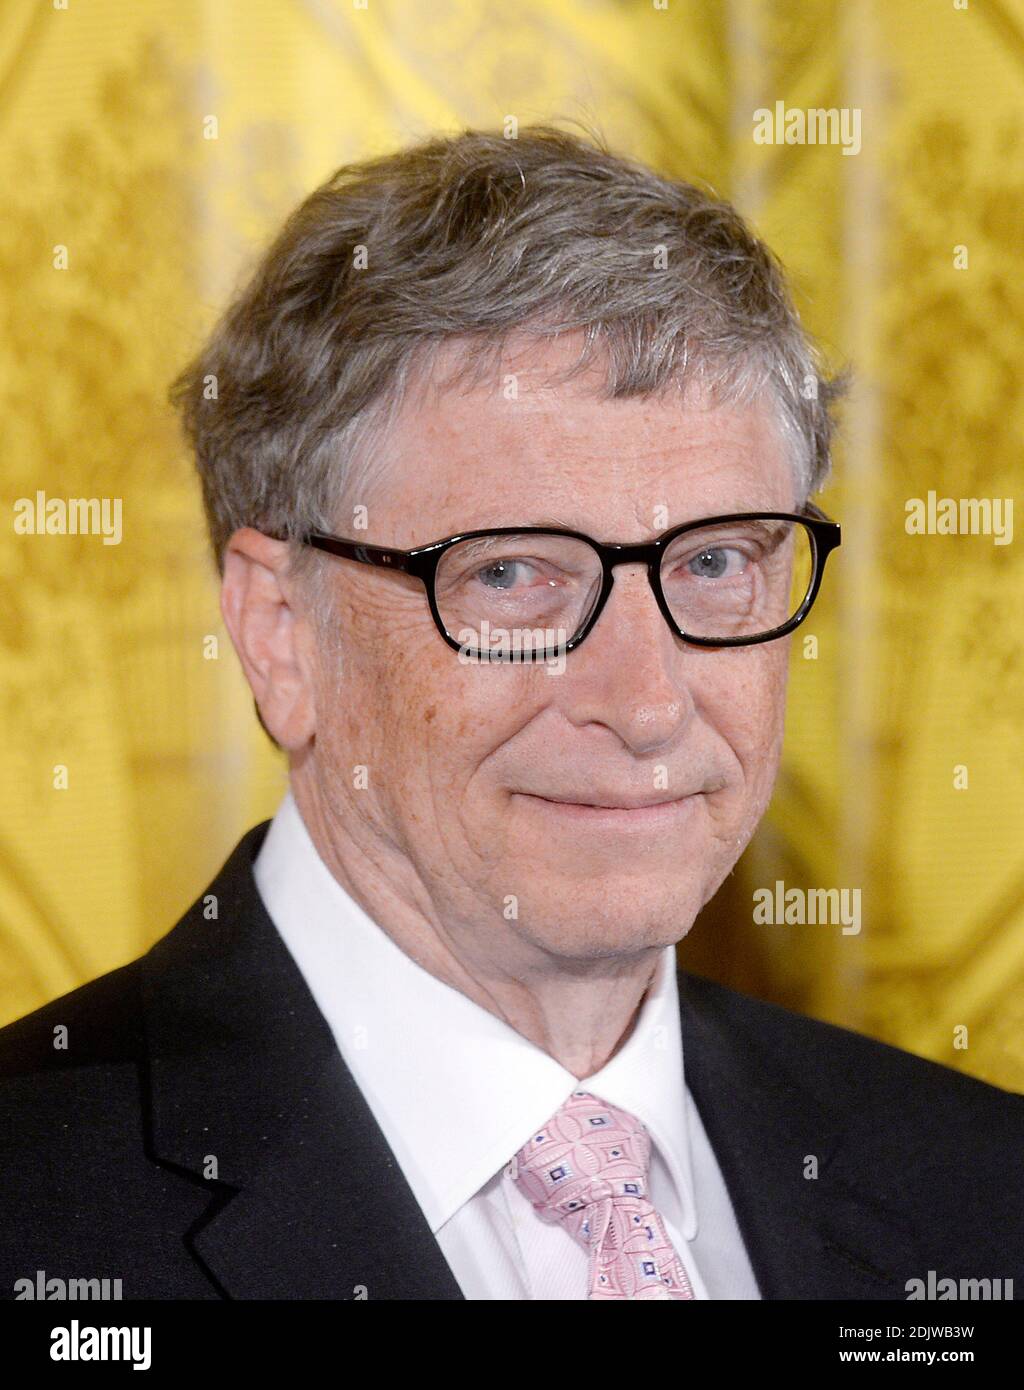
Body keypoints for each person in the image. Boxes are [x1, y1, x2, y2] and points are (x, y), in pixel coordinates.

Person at [2, 126, 1020, 1301]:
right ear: (281, 631)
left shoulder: (984, 1198)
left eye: (713, 561)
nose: (645, 703)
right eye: (510, 574)